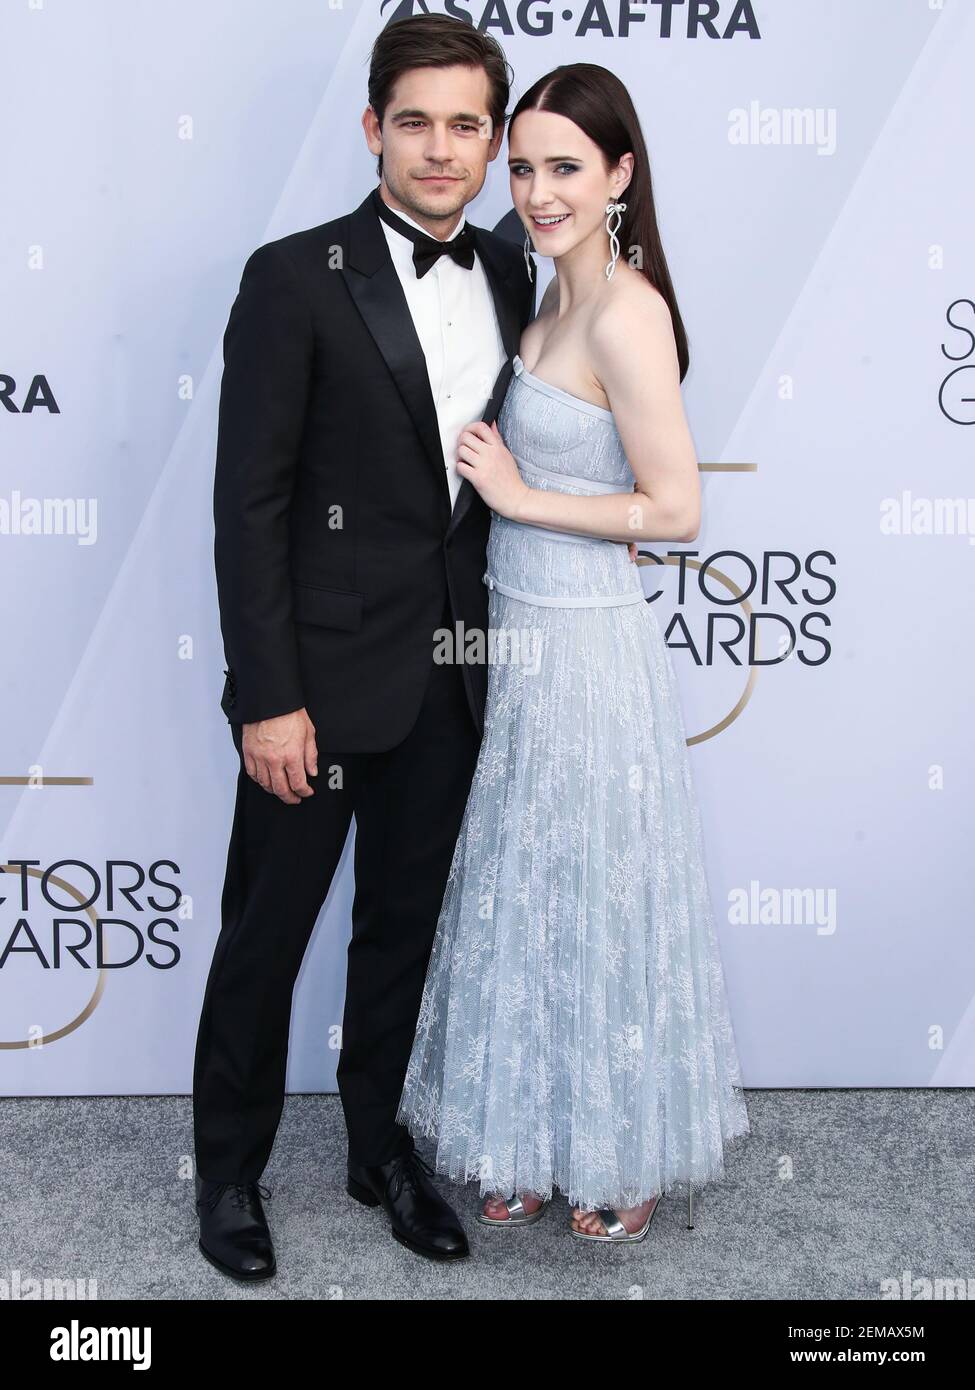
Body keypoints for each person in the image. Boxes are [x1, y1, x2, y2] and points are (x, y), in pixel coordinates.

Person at [192, 15, 534, 1277]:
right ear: (372, 127)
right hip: (318, 691)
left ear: (492, 141)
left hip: (451, 678)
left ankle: (378, 1148)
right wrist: (268, 697)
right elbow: (250, 506)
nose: (441, 150)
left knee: (403, 927)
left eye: (465, 126)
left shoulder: (511, 275)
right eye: (416, 121)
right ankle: (227, 1172)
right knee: (266, 935)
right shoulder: (293, 275)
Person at [397, 62, 750, 1244]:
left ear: (620, 177)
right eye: (527, 165)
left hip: (591, 656)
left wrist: (520, 493)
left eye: (567, 167)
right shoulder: (542, 298)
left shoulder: (625, 312)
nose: (539, 190)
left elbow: (678, 509)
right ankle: (543, 1136)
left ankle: (623, 1151)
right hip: (522, 644)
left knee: (599, 891)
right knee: (531, 889)